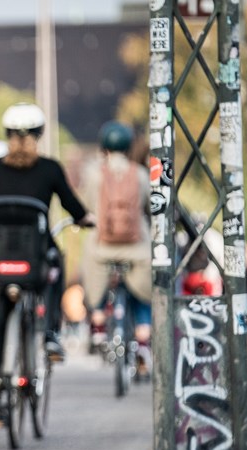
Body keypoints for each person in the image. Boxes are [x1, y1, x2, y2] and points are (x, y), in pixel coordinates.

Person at [0, 102, 94, 424]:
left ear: (7, 134)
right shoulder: (49, 169)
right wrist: (84, 218)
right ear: (40, 134)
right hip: (33, 264)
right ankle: (50, 332)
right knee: (57, 261)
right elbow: (74, 207)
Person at [78, 121, 152, 373]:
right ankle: (143, 342)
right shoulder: (140, 174)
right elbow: (148, 205)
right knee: (143, 294)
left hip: (102, 247)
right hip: (136, 247)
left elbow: (86, 205)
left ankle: (98, 324)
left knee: (90, 270)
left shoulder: (93, 173)